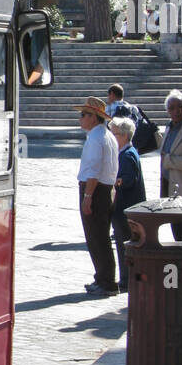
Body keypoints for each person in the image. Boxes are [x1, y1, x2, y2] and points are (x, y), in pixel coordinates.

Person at [76, 96, 119, 296]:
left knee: (96, 237)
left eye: (84, 115)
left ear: (94, 117)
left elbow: (93, 170)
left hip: (96, 190)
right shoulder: (107, 135)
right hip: (105, 189)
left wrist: (88, 196)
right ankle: (103, 278)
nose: (80, 118)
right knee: (100, 236)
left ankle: (106, 280)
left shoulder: (96, 138)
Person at [110, 115, 146, 292]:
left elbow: (129, 180)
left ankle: (126, 280)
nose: (112, 136)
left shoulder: (127, 155)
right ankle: (126, 278)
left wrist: (115, 181)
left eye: (114, 133)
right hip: (126, 208)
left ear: (124, 135)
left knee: (124, 244)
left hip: (126, 208)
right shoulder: (126, 153)